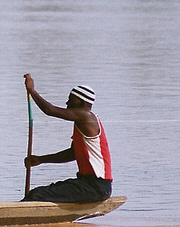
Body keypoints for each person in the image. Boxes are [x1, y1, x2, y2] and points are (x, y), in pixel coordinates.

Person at [22, 74, 113, 203]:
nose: (67, 103)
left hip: (96, 186)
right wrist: (41, 159)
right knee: (37, 193)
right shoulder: (82, 123)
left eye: (71, 99)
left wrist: (32, 91)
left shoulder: (86, 117)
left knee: (37, 196)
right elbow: (73, 154)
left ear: (81, 102)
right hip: (87, 183)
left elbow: (49, 110)